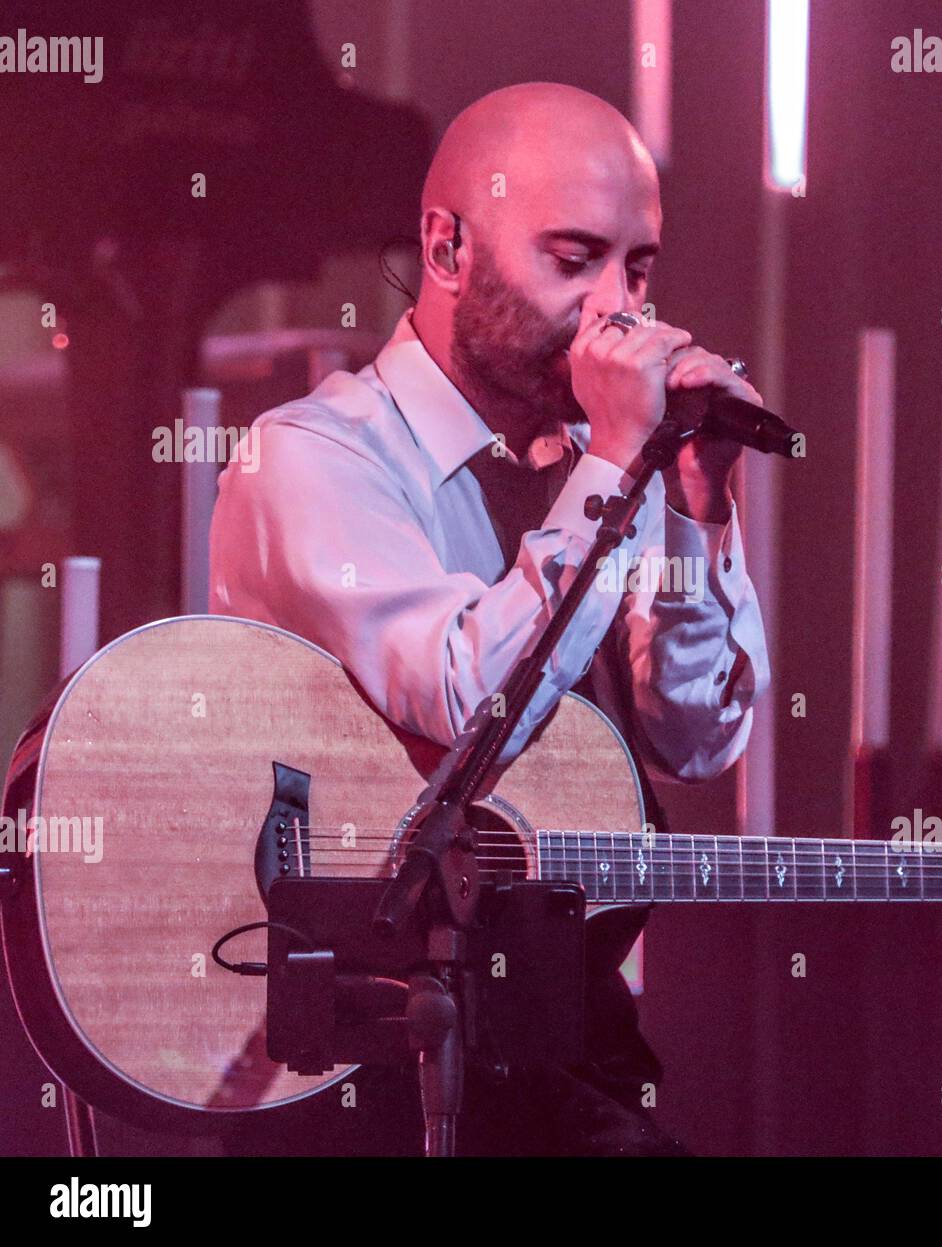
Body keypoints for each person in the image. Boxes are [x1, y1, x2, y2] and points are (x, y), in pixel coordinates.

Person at [208, 81, 770, 1156]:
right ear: (448, 247)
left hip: (565, 1043)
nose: (621, 309)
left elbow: (696, 735)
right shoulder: (318, 457)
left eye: (638, 269)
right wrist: (613, 463)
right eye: (573, 259)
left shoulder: (607, 463)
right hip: (352, 1070)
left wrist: (699, 506)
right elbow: (468, 703)